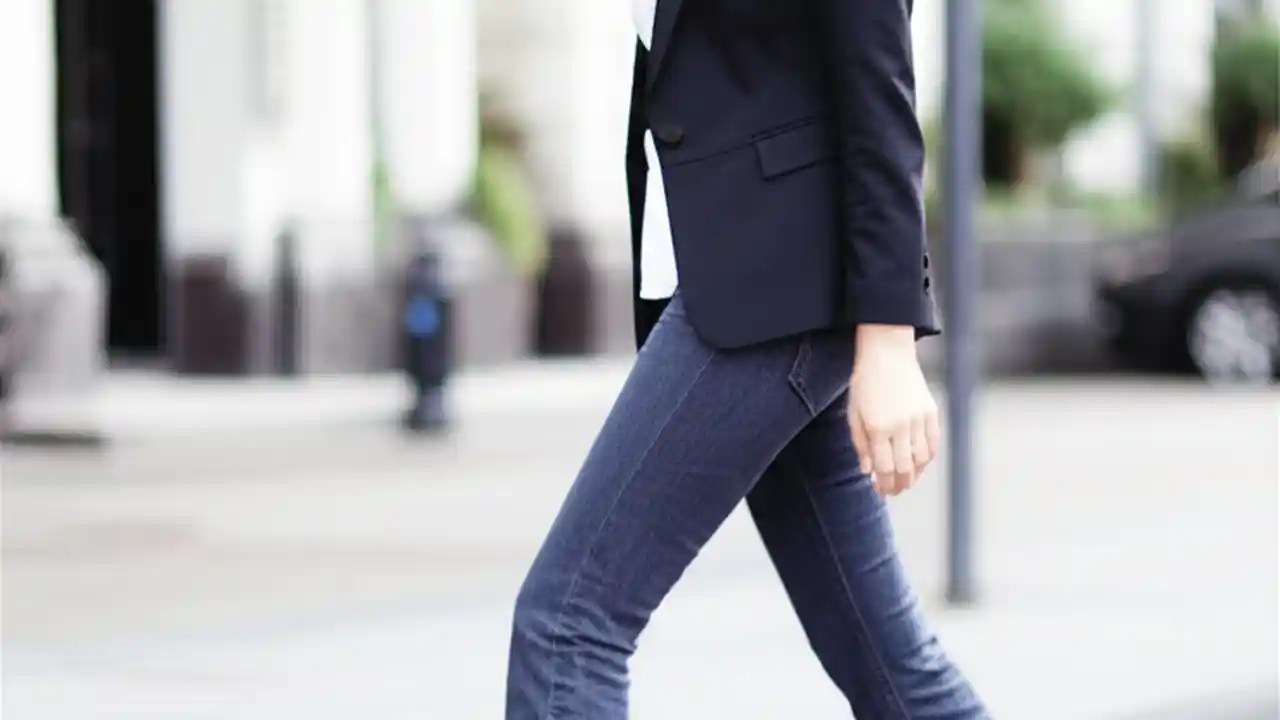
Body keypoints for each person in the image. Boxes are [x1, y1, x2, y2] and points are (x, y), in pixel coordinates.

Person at [505, 0, 988, 717]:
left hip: (773, 287)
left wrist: (888, 341)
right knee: (892, 668)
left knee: (569, 625)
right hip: (744, 278)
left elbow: (880, 97)